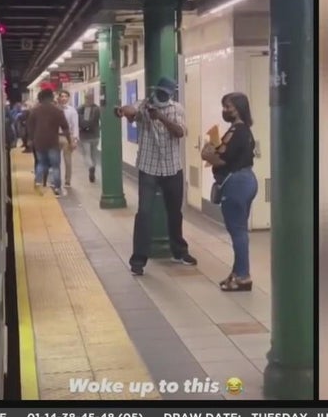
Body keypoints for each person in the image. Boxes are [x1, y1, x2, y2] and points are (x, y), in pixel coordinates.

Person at [116, 77, 197, 276]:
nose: (160, 95)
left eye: (164, 93)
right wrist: (123, 111)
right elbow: (130, 110)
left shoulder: (176, 108)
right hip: (148, 168)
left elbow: (179, 132)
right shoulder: (144, 105)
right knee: (143, 213)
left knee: (174, 212)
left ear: (171, 94)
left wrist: (160, 117)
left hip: (172, 169)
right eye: (158, 91)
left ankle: (179, 251)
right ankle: (138, 260)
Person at [201, 93, 258, 292]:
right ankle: (237, 271)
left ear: (240, 108)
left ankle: (243, 276)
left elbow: (221, 159)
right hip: (244, 181)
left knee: (238, 231)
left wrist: (206, 153)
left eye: (229, 107)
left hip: (237, 183)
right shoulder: (239, 130)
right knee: (238, 230)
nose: (225, 110)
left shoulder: (238, 131)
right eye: (224, 106)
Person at [26, 89, 71, 196]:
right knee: (55, 166)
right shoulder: (58, 111)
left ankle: (38, 183)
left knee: (41, 163)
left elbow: (30, 127)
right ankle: (57, 189)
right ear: (51, 98)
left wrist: (30, 140)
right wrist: (69, 140)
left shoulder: (34, 111)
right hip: (53, 142)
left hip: (39, 142)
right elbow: (65, 127)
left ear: (40, 98)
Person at [56, 90, 79, 187]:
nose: (64, 98)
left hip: (67, 137)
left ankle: (67, 180)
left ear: (68, 98)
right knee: (55, 160)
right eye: (62, 96)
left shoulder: (72, 110)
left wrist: (75, 139)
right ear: (59, 98)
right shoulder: (55, 109)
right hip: (55, 136)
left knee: (68, 160)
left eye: (66, 96)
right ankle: (56, 180)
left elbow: (75, 125)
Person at [77, 93, 101, 183]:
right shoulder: (97, 108)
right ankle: (93, 168)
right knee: (94, 154)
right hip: (95, 135)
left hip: (85, 135)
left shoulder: (81, 108)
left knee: (87, 154)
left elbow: (84, 123)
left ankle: (91, 167)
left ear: (85, 98)